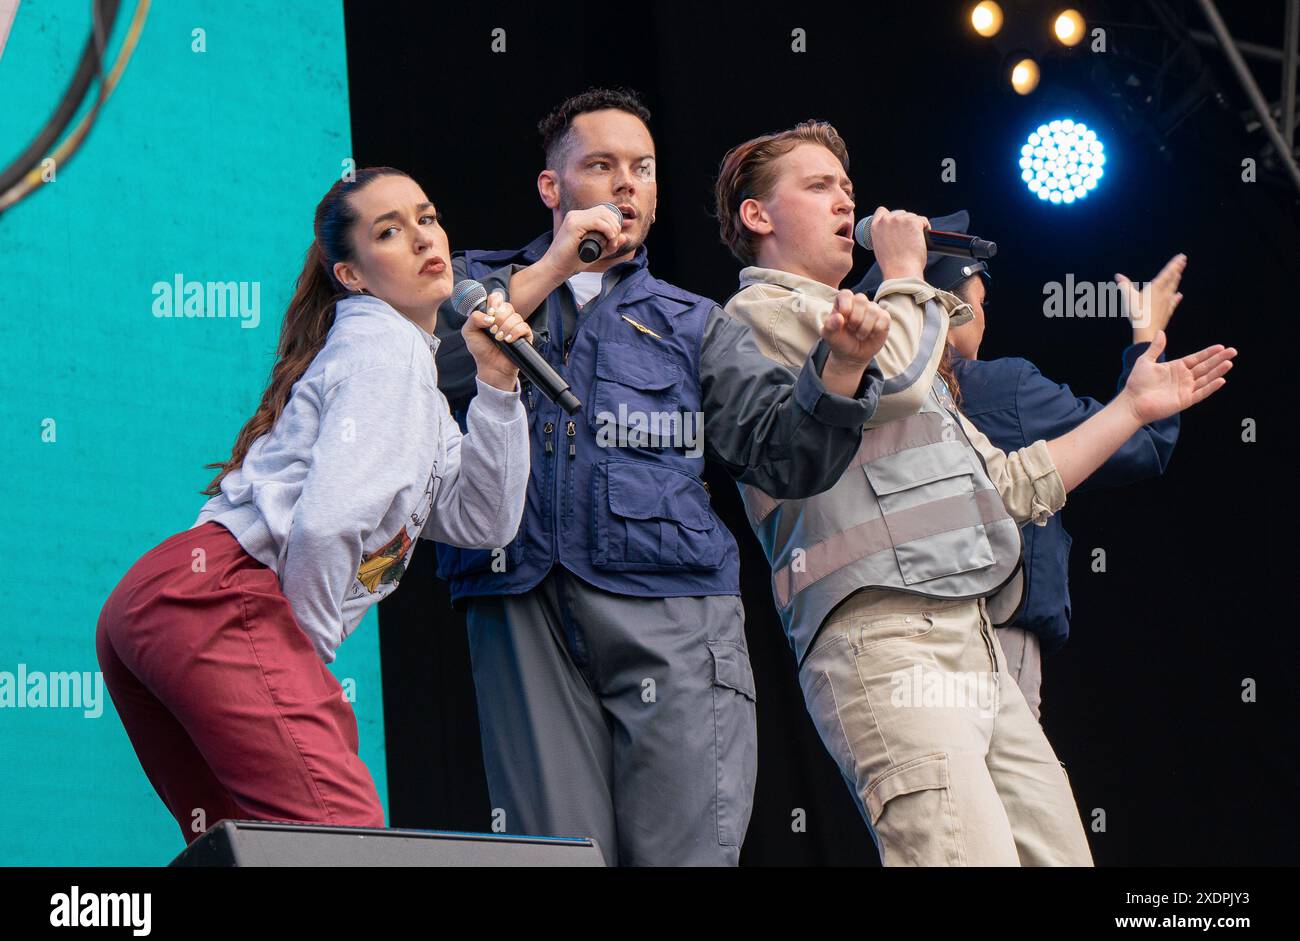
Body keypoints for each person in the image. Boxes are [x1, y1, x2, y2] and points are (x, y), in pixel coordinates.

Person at [716, 121, 1235, 865]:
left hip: (977, 638)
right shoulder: (756, 321)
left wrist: (1133, 408)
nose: (845, 202)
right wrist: (902, 268)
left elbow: (1008, 484)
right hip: (884, 640)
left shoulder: (896, 328)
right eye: (819, 185)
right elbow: (886, 384)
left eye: (848, 188)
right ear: (757, 215)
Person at [433, 88, 890, 866]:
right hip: (520, 604)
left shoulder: (693, 321)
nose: (626, 186)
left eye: (641, 169)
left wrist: (842, 371)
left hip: (675, 613)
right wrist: (548, 267)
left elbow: (785, 455)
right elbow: (426, 380)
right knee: (554, 857)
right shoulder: (475, 283)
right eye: (601, 166)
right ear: (552, 189)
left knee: (687, 855)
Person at [95, 167, 532, 844]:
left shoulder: (407, 373)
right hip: (216, 600)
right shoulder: (387, 347)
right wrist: (301, 660)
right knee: (337, 839)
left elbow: (486, 519)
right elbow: (330, 521)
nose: (422, 237)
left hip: (158, 606)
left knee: (254, 850)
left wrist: (499, 387)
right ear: (352, 275)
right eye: (388, 231)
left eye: (427, 216)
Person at [855, 212, 1182, 719]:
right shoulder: (1000, 388)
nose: (985, 319)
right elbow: (1141, 444)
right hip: (995, 632)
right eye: (979, 305)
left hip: (898, 635)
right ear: (951, 306)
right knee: (1006, 792)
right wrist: (1147, 338)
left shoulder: (862, 398)